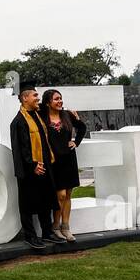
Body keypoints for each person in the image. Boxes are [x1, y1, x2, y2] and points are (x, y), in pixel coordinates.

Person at [9, 84, 61, 249]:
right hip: (29, 169)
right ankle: (30, 235)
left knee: (46, 199)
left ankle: (47, 231)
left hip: (44, 165)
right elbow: (21, 148)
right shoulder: (18, 121)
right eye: (34, 96)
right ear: (25, 98)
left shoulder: (37, 116)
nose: (38, 98)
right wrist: (32, 165)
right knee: (28, 203)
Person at [40, 89, 84, 242]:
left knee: (68, 195)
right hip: (54, 162)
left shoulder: (68, 115)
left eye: (61, 98)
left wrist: (75, 142)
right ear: (48, 102)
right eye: (56, 99)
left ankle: (66, 227)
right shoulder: (42, 117)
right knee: (60, 195)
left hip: (69, 160)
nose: (60, 101)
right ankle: (55, 226)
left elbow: (82, 128)